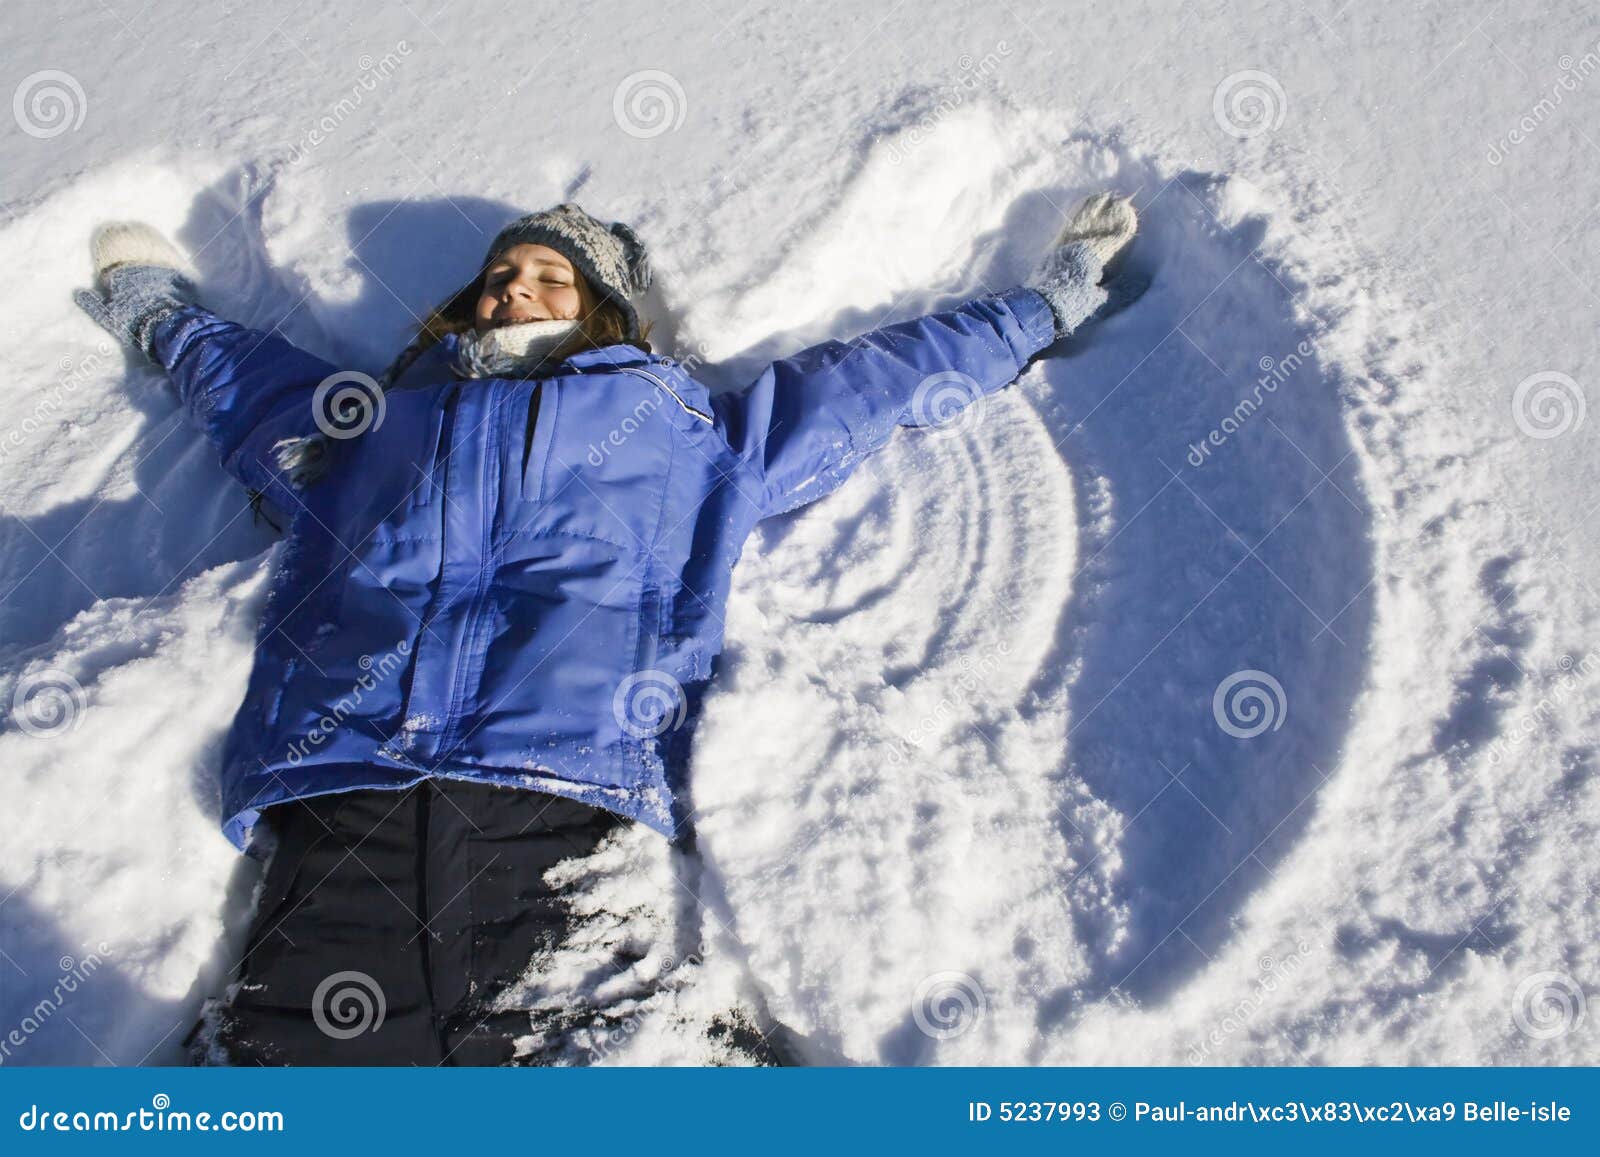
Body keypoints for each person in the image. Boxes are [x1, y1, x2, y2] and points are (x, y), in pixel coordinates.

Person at [72, 196, 1146, 1065]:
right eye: (501, 272)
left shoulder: (678, 427)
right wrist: (160, 313)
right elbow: (242, 387)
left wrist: (1038, 307)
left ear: (603, 307)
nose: (513, 286)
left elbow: (872, 385)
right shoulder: (372, 423)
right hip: (342, 811)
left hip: (565, 816)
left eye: (551, 274)